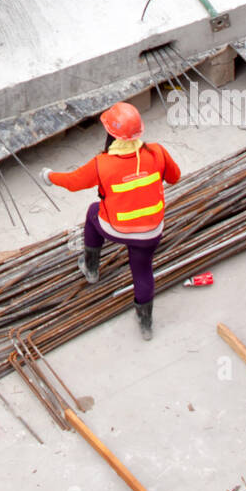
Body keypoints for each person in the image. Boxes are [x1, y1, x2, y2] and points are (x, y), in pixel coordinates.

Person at [41, 102, 181, 340]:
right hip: (151, 233)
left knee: (93, 212)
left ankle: (91, 268)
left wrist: (49, 176)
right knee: (142, 271)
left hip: (116, 228)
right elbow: (174, 178)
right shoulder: (156, 152)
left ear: (110, 133)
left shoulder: (102, 163)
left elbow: (73, 182)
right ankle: (146, 326)